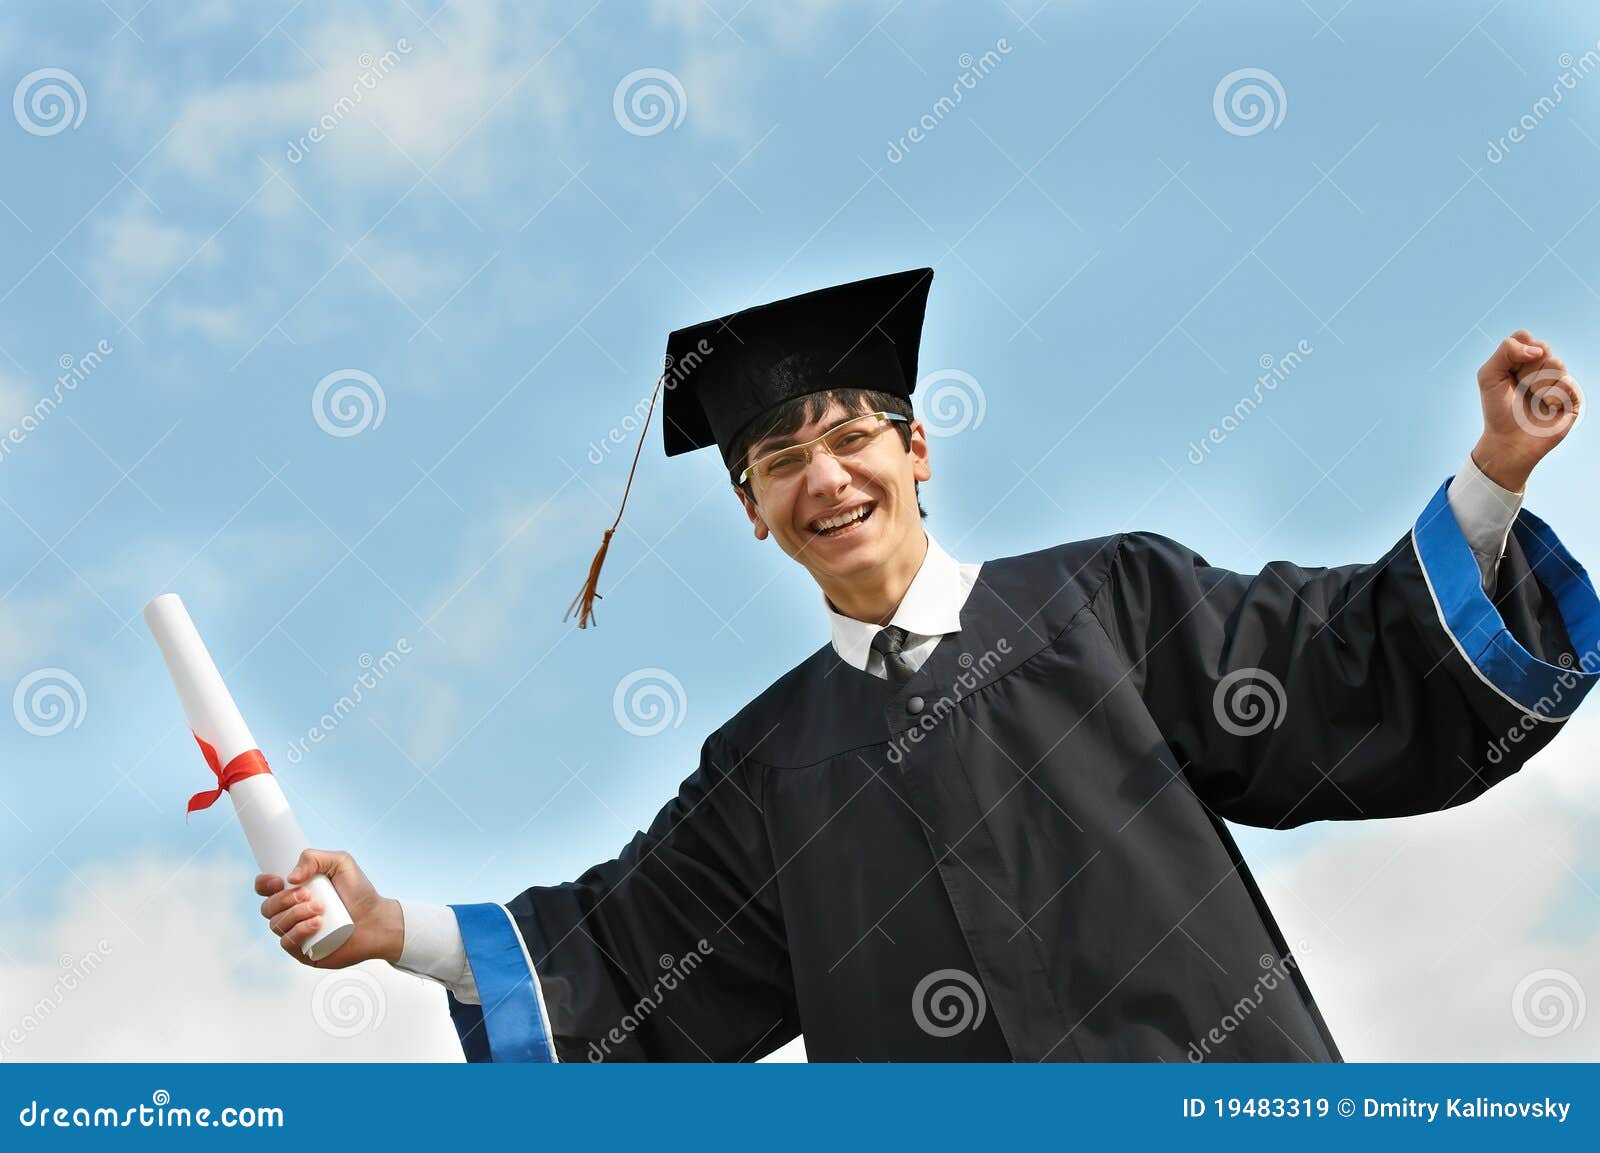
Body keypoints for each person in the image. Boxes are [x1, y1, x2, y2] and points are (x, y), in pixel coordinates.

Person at [254, 268, 1597, 1062]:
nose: (824, 478)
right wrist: (397, 930)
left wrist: (1490, 477)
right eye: (779, 463)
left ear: (918, 450)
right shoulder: (767, 765)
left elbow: (1336, 660)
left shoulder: (1110, 599)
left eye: (852, 438)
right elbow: (622, 945)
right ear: (751, 511)